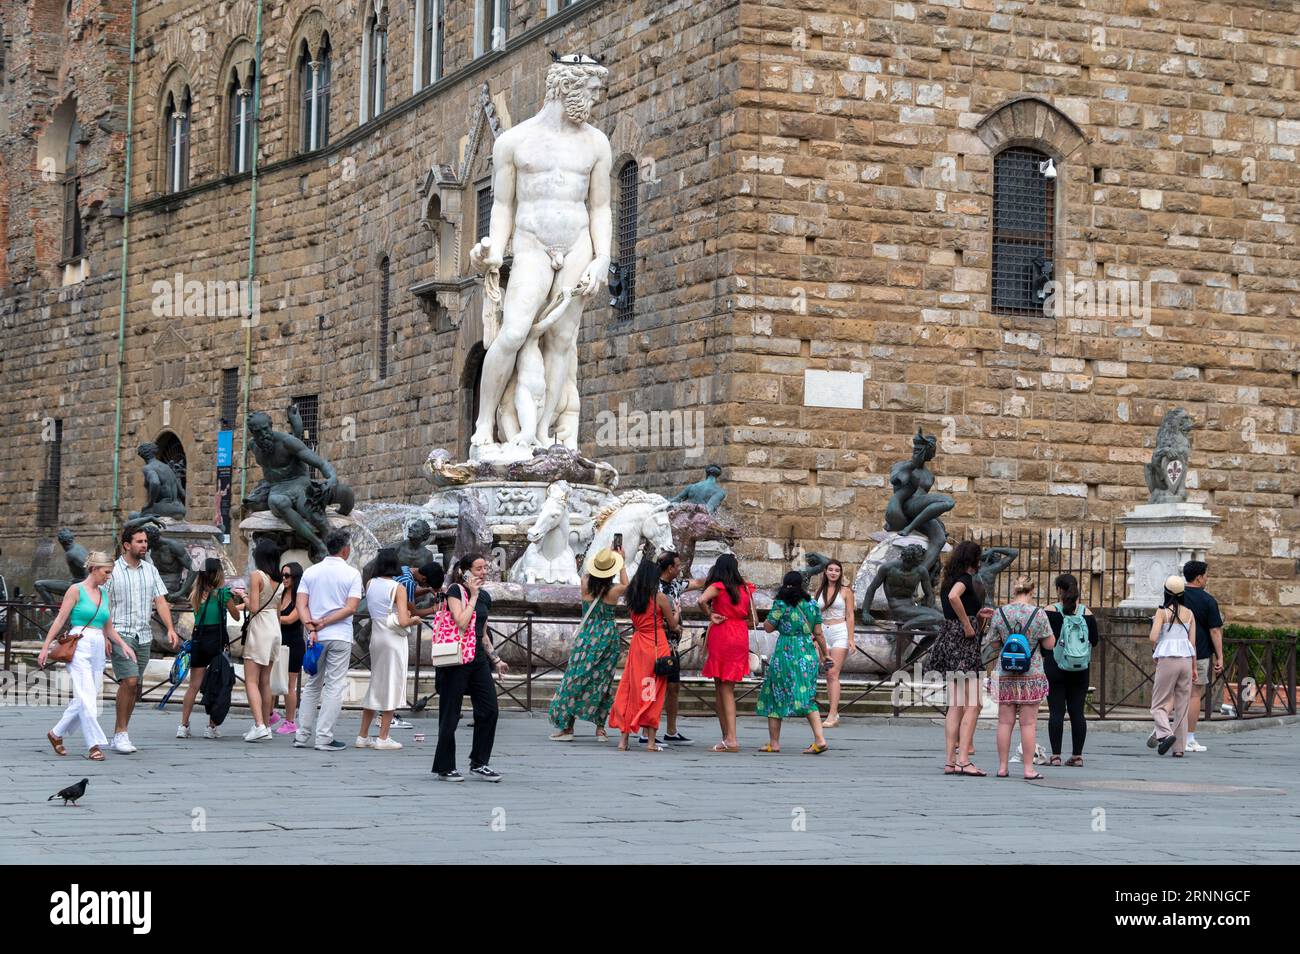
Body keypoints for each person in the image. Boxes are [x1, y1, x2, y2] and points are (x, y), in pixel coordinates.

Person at [38, 552, 136, 761]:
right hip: (78, 643)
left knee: (87, 696)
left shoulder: (104, 593)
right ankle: (94, 745)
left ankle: (56, 734)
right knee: (86, 697)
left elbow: (108, 627)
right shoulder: (75, 590)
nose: (108, 576)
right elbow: (59, 620)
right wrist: (46, 647)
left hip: (98, 644)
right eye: (106, 572)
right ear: (94, 569)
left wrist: (123, 645)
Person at [433, 553, 508, 781]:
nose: (483, 572)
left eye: (485, 568)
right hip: (455, 660)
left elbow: (482, 631)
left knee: (489, 709)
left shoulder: (485, 596)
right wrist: (473, 596)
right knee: (451, 714)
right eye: (478, 569)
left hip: (477, 659)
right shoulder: (456, 590)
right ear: (465, 571)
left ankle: (479, 762)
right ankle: (445, 767)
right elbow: (461, 622)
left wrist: (495, 659)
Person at [108, 525, 180, 754]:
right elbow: (103, 604)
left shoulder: (150, 570)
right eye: (139, 541)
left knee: (134, 685)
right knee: (129, 681)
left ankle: (121, 731)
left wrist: (170, 628)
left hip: (144, 634)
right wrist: (105, 636)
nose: (144, 545)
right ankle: (121, 733)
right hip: (120, 633)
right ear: (126, 545)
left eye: (146, 541)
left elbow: (160, 600)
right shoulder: (112, 571)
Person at [548, 546, 628, 741]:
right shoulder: (615, 590)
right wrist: (621, 561)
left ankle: (567, 727)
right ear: (611, 570)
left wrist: (603, 557)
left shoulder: (585, 583)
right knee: (603, 682)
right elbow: (627, 584)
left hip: (587, 636)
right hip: (608, 636)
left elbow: (587, 572)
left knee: (575, 678)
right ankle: (600, 729)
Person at [294, 530, 363, 752]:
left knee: (312, 684)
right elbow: (351, 608)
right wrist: (324, 622)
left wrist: (311, 626)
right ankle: (324, 737)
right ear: (345, 549)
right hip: (339, 635)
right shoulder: (352, 574)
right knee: (334, 685)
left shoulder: (311, 572)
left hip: (315, 636)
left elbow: (301, 605)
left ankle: (302, 735)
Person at [929, 541, 990, 776]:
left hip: (950, 641)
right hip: (964, 643)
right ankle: (964, 759)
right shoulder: (964, 580)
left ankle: (950, 761)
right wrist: (967, 624)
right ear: (972, 559)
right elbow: (956, 598)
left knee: (955, 704)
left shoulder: (948, 580)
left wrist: (977, 615)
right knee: (973, 704)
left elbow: (953, 600)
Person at [985, 575, 1056, 780]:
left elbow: (994, 644)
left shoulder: (1000, 612)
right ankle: (1028, 769)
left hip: (1005, 673)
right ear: (1032, 592)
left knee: (1004, 722)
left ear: (1014, 591)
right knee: (1028, 723)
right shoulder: (1039, 613)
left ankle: (1002, 767)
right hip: (1031, 672)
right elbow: (1049, 644)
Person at [609, 558, 679, 751]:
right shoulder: (659, 597)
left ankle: (623, 740)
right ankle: (650, 742)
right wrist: (677, 614)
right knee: (652, 691)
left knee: (632, 690)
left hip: (638, 645)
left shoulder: (631, 598)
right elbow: (672, 625)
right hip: (656, 647)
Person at [757, 571, 831, 754]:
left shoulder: (781, 604)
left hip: (786, 654)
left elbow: (768, 628)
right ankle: (820, 739)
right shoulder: (812, 604)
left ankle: (774, 743)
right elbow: (819, 633)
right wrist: (826, 654)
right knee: (807, 696)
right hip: (807, 653)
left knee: (776, 695)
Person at [357, 548, 419, 750]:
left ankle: (363, 735)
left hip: (376, 637)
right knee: (392, 684)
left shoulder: (370, 583)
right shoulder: (398, 587)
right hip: (393, 640)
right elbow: (402, 620)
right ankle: (383, 737)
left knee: (376, 683)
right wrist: (415, 619)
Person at [178, 558, 244, 739]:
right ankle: (211, 727)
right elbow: (236, 617)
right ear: (217, 574)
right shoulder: (223, 594)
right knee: (218, 683)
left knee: (193, 686)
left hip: (199, 641)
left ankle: (183, 726)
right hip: (217, 641)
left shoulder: (196, 594)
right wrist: (237, 599)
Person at [698, 553, 756, 752]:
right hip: (739, 633)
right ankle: (725, 736)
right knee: (722, 687)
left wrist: (710, 614)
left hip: (722, 632)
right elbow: (751, 617)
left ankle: (731, 738)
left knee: (724, 688)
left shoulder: (718, 586)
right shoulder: (746, 588)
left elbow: (700, 600)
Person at [1042, 574, 1099, 766]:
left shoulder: (1049, 611)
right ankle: (1077, 756)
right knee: (1077, 712)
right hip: (1080, 668)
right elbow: (1095, 641)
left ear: (1059, 590)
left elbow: (1043, 642)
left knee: (1056, 712)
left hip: (1055, 665)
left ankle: (1056, 756)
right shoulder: (1087, 613)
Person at [649, 550, 697, 745]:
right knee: (653, 686)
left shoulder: (676, 584)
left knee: (673, 686)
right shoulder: (654, 588)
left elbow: (696, 584)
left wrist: (718, 577)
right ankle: (647, 731)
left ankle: (671, 730)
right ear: (669, 568)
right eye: (677, 566)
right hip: (658, 643)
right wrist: (674, 622)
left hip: (673, 646)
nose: (680, 568)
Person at [1147, 575, 1196, 757]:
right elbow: (1193, 642)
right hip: (1186, 659)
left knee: (1158, 704)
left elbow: (1153, 637)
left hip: (1168, 658)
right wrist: (1192, 669)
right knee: (1182, 705)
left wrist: (1155, 624)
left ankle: (1166, 734)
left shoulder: (1162, 612)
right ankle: (1179, 749)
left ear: (1166, 592)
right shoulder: (1190, 613)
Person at [241, 537, 284, 742]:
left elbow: (255, 607)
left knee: (250, 680)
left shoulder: (257, 575)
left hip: (260, 628)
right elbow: (277, 610)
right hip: (274, 628)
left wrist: (243, 597)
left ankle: (259, 725)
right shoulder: (280, 581)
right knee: (265, 681)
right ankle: (266, 725)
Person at [1181, 560, 1224, 753]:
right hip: (1199, 653)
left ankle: (1163, 729)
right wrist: (1220, 656)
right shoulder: (1208, 600)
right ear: (1199, 578)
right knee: (1194, 695)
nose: (1207, 578)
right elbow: (1215, 631)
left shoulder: (1175, 597)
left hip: (1174, 652)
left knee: (1173, 692)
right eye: (1206, 575)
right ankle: (1189, 738)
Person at [815, 559, 855, 727]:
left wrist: (851, 638)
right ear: (825, 571)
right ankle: (833, 712)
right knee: (827, 674)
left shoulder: (846, 591)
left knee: (832, 673)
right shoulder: (819, 591)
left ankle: (832, 714)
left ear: (840, 573)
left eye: (836, 570)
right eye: (830, 569)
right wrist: (813, 636)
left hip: (839, 631)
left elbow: (850, 615)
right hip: (822, 632)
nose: (833, 572)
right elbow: (814, 614)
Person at [275, 561, 305, 735]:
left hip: (293, 644)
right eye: (282, 575)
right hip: (278, 642)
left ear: (295, 577)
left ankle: (290, 721)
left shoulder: (300, 597)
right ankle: (271, 714)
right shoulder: (281, 592)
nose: (284, 579)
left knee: (289, 684)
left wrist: (268, 614)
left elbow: (291, 619)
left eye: (287, 576)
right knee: (272, 681)